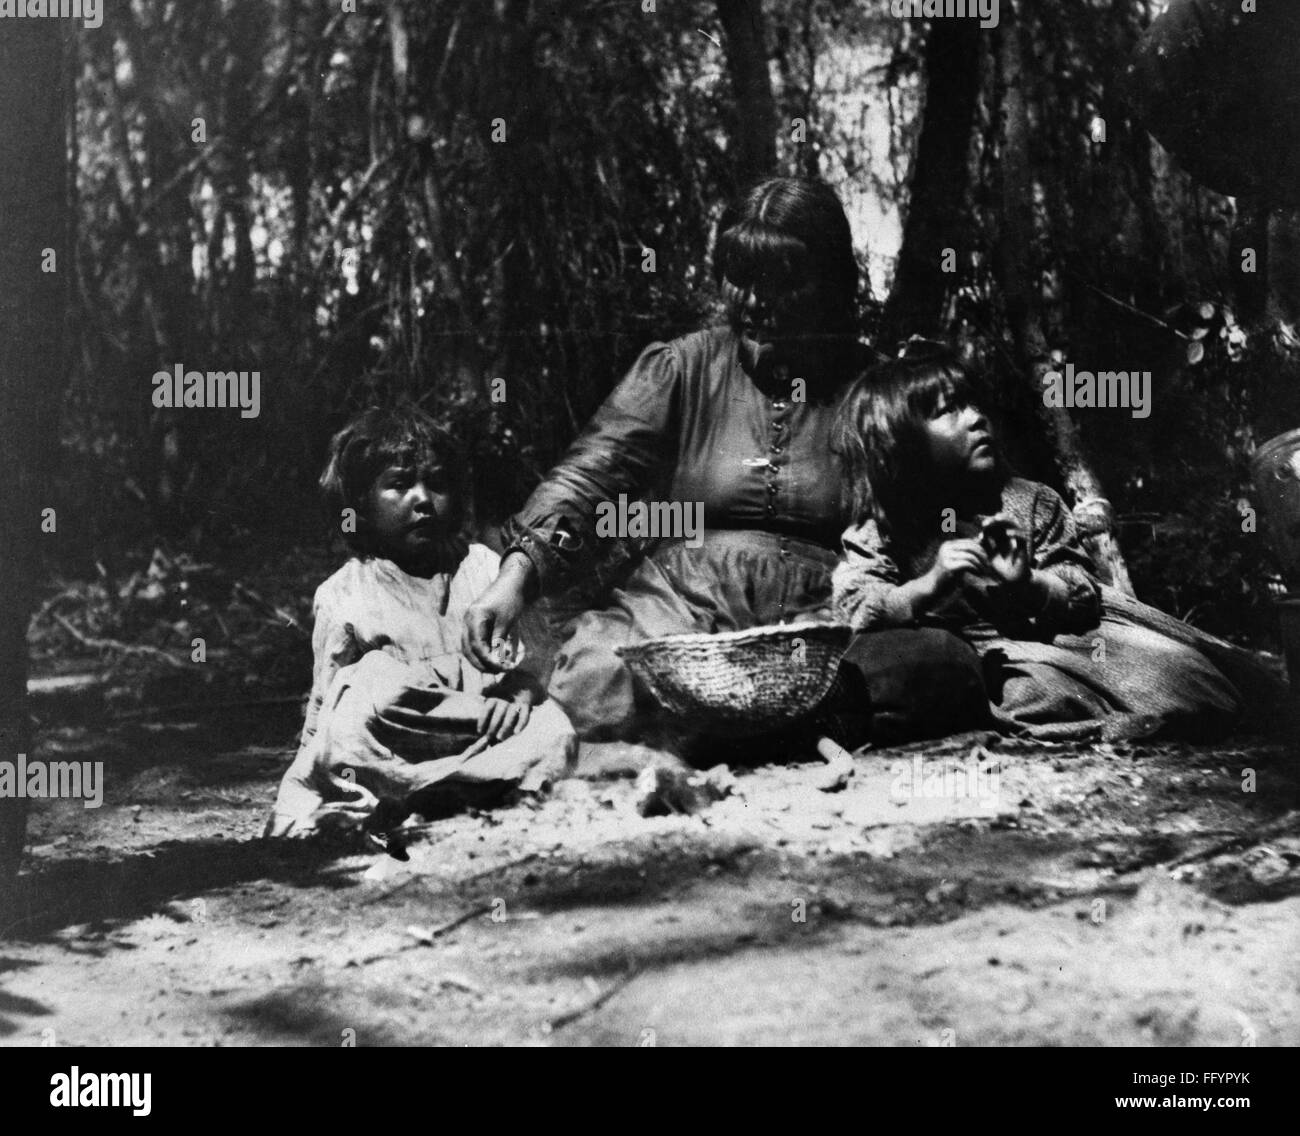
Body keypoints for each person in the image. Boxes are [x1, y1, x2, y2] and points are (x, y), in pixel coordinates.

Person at [463, 177, 988, 746]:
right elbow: (589, 475)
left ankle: (722, 731)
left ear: (831, 280)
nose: (756, 301)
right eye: (740, 276)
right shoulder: (681, 369)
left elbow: (936, 513)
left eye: (783, 279)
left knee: (939, 669)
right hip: (680, 606)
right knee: (592, 673)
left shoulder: (878, 390)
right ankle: (774, 733)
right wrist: (514, 580)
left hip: (828, 618)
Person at [831, 342, 1243, 741]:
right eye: (949, 412)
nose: (976, 418)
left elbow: (1082, 591)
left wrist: (1028, 583)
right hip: (977, 656)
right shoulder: (886, 520)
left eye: (975, 405)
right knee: (1028, 690)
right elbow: (855, 608)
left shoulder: (1029, 499)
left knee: (1192, 679)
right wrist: (928, 585)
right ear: (900, 443)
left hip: (1061, 637)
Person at [265, 404, 576, 841]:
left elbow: (538, 656)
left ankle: (449, 794)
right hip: (392, 748)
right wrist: (299, 790)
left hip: (481, 733)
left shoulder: (486, 569)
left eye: (437, 483)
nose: (423, 500)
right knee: (370, 684)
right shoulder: (344, 594)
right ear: (360, 504)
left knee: (553, 729)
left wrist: (518, 693)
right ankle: (414, 797)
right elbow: (325, 709)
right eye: (398, 485)